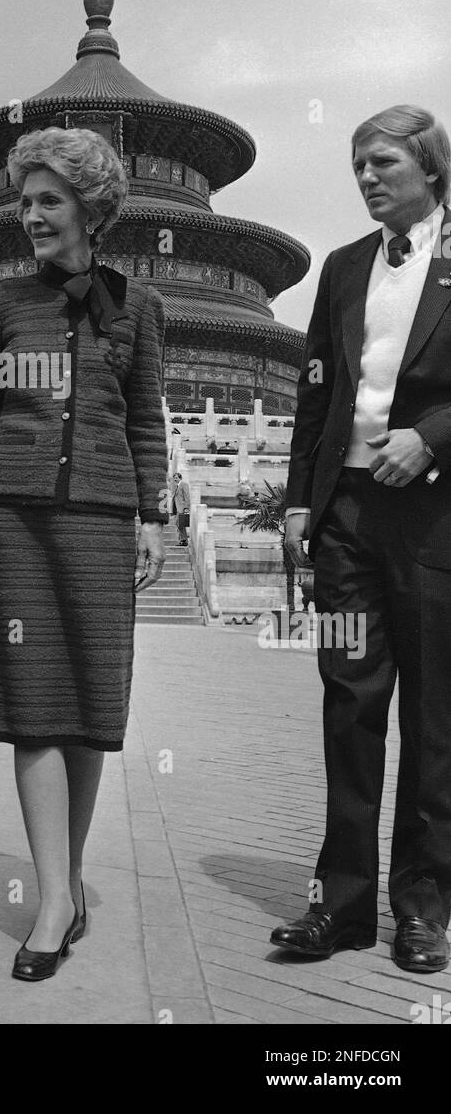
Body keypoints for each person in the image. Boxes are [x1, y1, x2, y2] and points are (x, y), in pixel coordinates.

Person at [0, 126, 167, 981]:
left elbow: (144, 417)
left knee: (88, 710)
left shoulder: (137, 308)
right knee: (31, 708)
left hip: (104, 519)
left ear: (90, 208)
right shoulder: (2, 303)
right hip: (18, 519)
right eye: (24, 200)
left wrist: (151, 517)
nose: (31, 215)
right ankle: (50, 898)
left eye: (48, 200)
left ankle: (68, 883)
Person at [272, 104, 451, 974]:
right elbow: (317, 391)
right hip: (343, 519)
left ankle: (421, 907)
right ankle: (338, 906)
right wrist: (303, 503)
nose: (367, 178)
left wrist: (433, 436)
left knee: (431, 716)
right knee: (348, 709)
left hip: (431, 521)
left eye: (382, 162)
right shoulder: (343, 269)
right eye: (357, 167)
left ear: (429, 165)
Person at [172, 471, 191, 545]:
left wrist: (186, 507)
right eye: (174, 478)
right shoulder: (177, 486)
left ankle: (183, 540)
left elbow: (187, 497)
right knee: (179, 523)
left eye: (176, 478)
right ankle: (183, 540)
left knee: (180, 524)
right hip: (177, 508)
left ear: (180, 478)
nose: (175, 480)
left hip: (182, 508)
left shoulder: (184, 484)